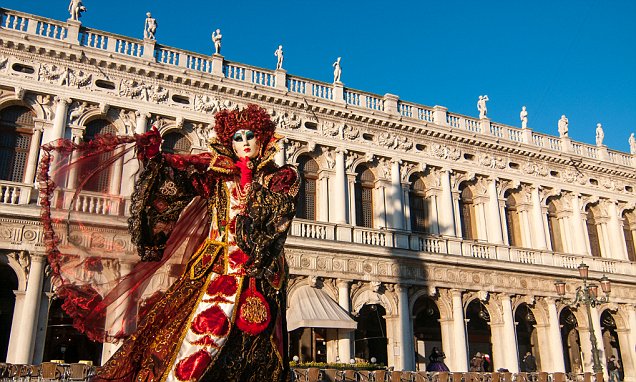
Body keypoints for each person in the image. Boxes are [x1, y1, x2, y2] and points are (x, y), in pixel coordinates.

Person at [38, 104, 299, 381]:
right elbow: (181, 172)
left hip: (260, 274)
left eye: (250, 136)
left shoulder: (279, 177)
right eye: (237, 137)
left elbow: (276, 216)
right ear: (228, 143)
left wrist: (252, 192)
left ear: (262, 138)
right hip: (214, 272)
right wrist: (157, 158)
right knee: (198, 341)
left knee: (256, 351)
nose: (245, 143)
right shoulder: (216, 176)